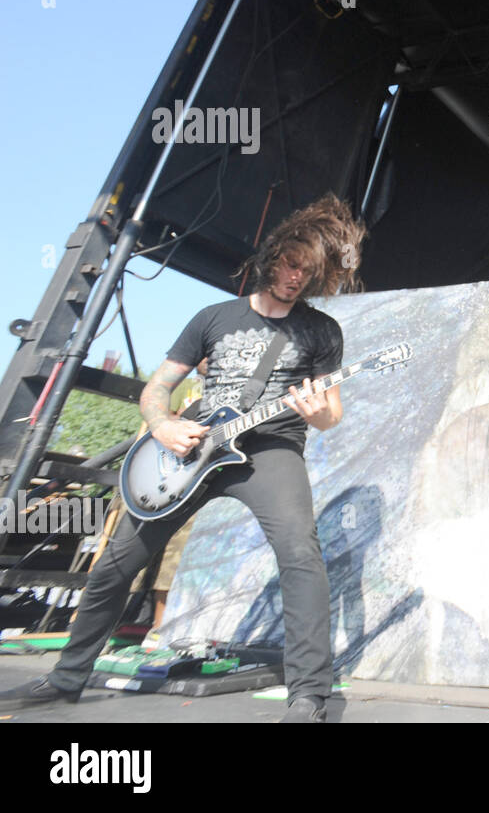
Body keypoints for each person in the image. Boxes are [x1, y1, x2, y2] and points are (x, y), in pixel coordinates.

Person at [0, 194, 365, 723]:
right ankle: (65, 677)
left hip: (271, 449)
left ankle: (309, 696)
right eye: (289, 265)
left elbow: (331, 412)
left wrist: (315, 414)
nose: (294, 278)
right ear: (272, 256)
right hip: (192, 453)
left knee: (301, 557)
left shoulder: (320, 331)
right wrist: (163, 424)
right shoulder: (213, 317)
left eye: (306, 272)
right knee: (117, 563)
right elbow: (158, 388)